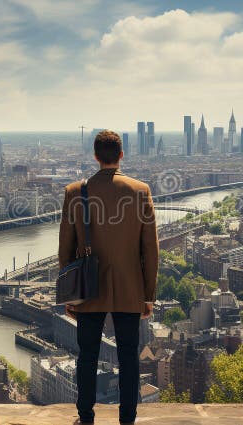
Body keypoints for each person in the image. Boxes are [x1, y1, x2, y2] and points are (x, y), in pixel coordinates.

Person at [58, 130, 158, 425]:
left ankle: (85, 416)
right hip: (130, 288)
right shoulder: (141, 191)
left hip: (88, 286)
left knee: (86, 355)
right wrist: (148, 294)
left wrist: (69, 293)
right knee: (128, 356)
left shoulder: (75, 192)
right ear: (121, 156)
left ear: (95, 156)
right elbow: (150, 250)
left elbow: (65, 248)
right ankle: (127, 418)